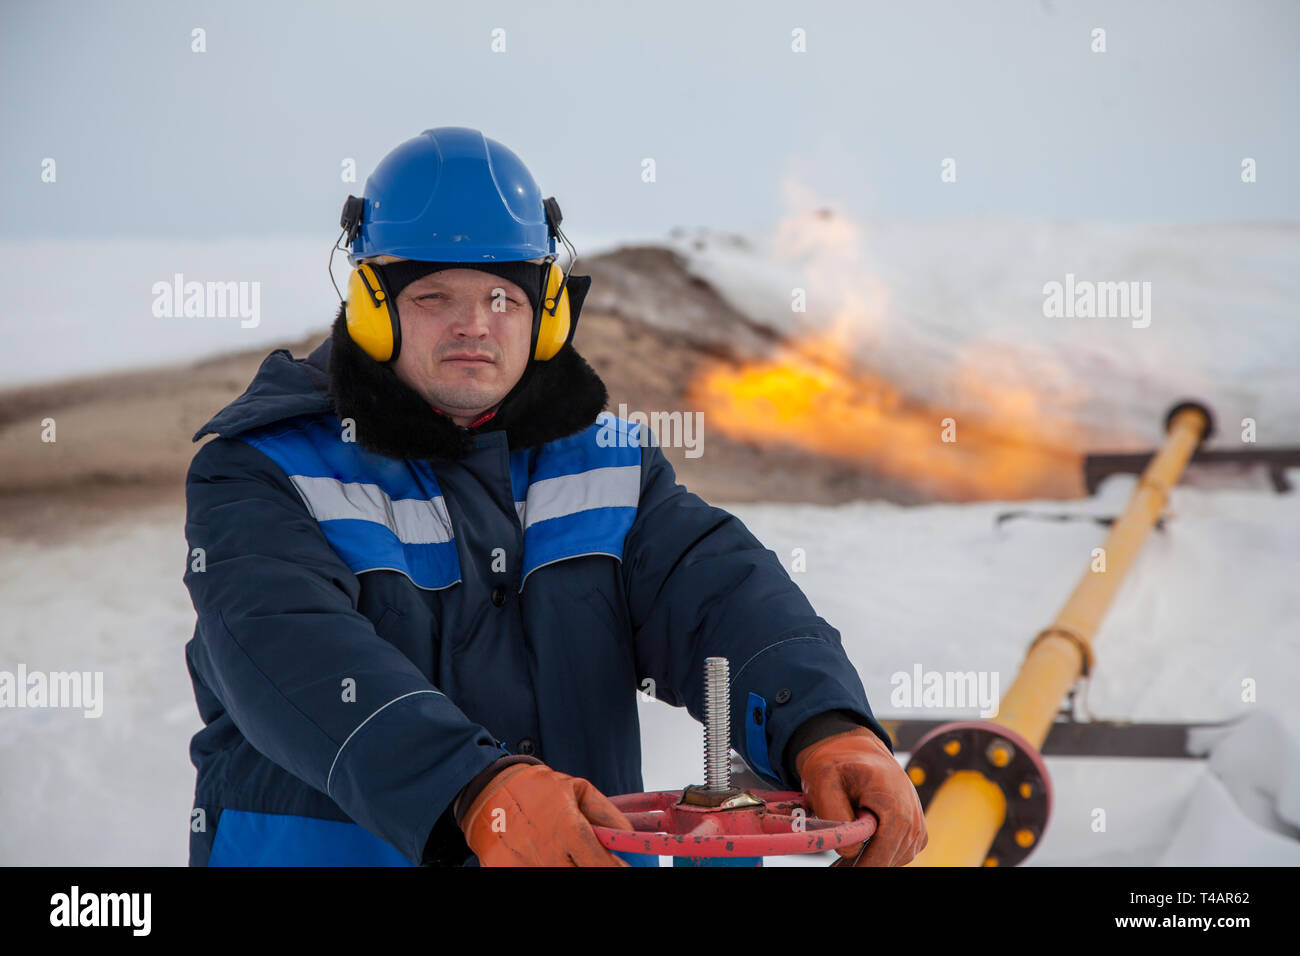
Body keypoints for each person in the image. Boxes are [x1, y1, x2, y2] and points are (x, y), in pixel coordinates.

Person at [182, 126, 926, 867]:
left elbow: (720, 592)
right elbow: (292, 649)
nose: (474, 323)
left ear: (546, 315)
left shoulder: (605, 464)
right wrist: (471, 789)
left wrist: (825, 723)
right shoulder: (262, 471)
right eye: (436, 294)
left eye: (504, 296)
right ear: (375, 310)